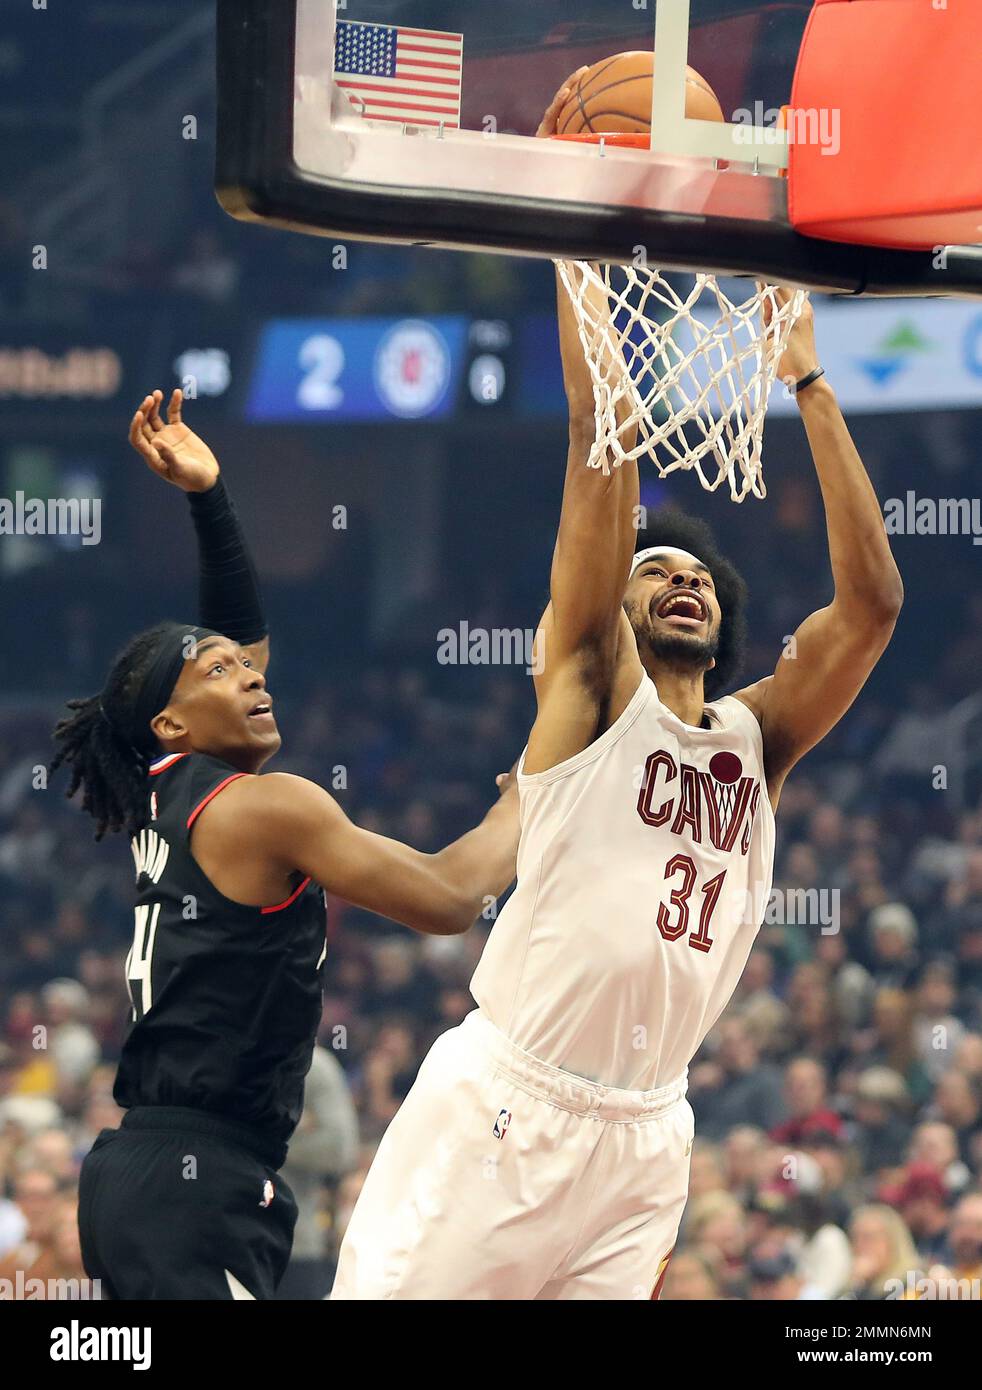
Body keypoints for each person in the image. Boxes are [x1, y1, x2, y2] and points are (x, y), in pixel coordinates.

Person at [331, 75, 903, 1302]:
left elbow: (870, 612)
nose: (680, 580)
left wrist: (808, 381)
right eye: (655, 571)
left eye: (698, 575)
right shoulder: (589, 693)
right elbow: (603, 433)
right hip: (506, 1104)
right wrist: (580, 232)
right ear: (621, 615)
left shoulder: (757, 740)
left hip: (649, 1132)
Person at [53, 390, 519, 1300]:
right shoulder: (263, 808)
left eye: (246, 665)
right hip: (197, 1183)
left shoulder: (172, 795)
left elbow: (232, 646)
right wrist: (533, 799)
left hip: (156, 1175)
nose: (253, 678)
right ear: (172, 722)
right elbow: (450, 898)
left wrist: (209, 496)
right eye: (221, 674)